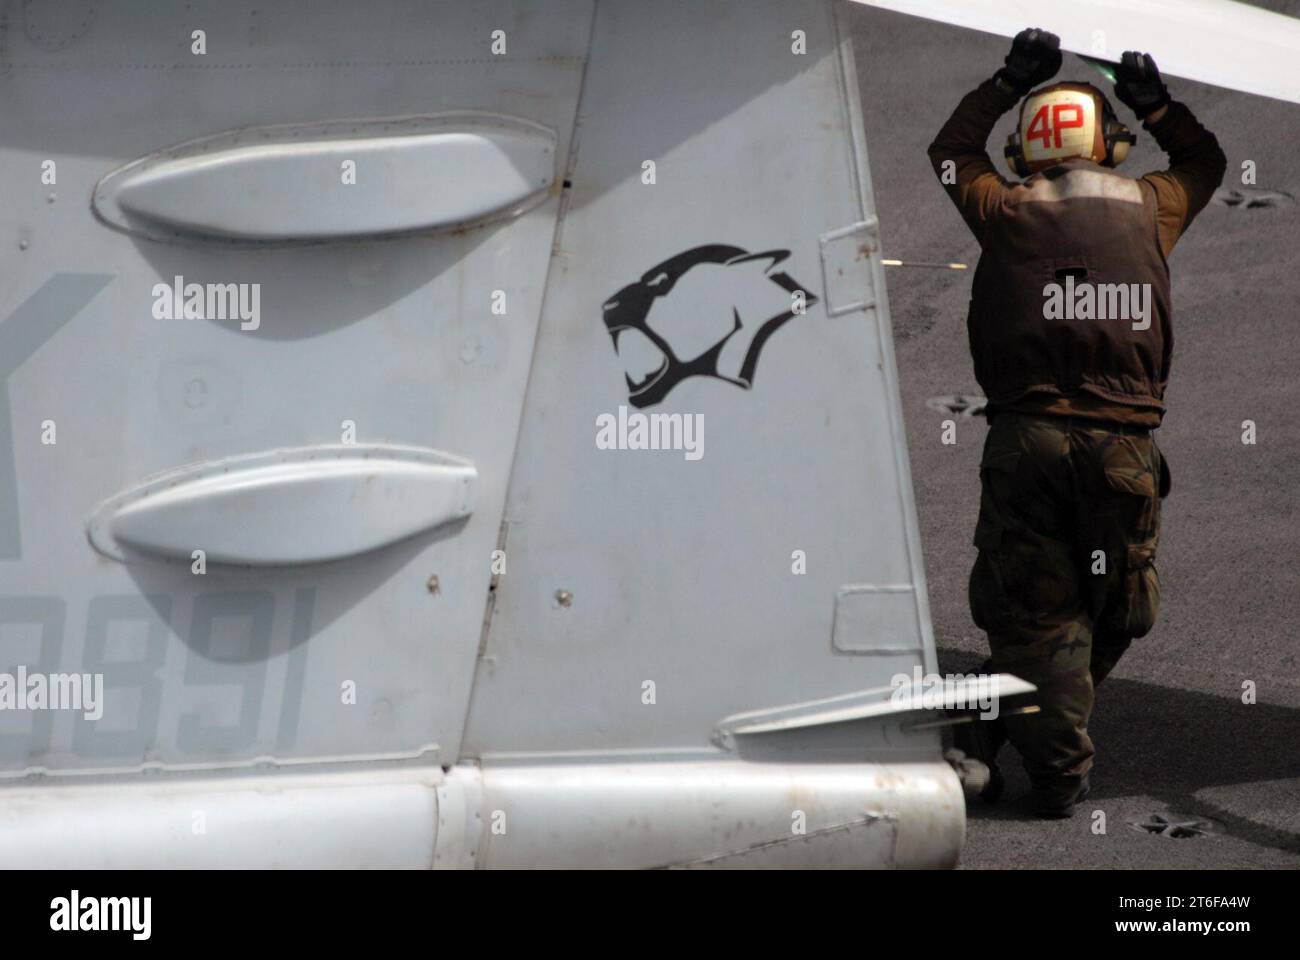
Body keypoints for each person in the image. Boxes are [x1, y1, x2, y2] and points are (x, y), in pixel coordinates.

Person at [929, 28, 1226, 817]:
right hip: (1122, 447)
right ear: (1111, 145)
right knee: (1120, 603)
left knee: (1032, 605)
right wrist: (1158, 104)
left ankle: (1020, 721)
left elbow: (952, 151)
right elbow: (1206, 164)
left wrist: (1003, 81)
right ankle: (1047, 752)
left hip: (1022, 441)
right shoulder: (1151, 204)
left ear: (1028, 150)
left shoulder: (1001, 207)